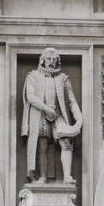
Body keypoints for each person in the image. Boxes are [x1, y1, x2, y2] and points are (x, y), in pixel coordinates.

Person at [22, 48, 82, 184]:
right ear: (43, 60)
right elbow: (30, 96)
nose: (52, 62)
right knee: (42, 145)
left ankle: (67, 176)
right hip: (40, 115)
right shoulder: (33, 76)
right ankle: (42, 177)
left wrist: (79, 119)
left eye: (54, 60)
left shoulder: (63, 78)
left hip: (58, 116)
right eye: (49, 59)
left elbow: (72, 101)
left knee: (66, 142)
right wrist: (45, 108)